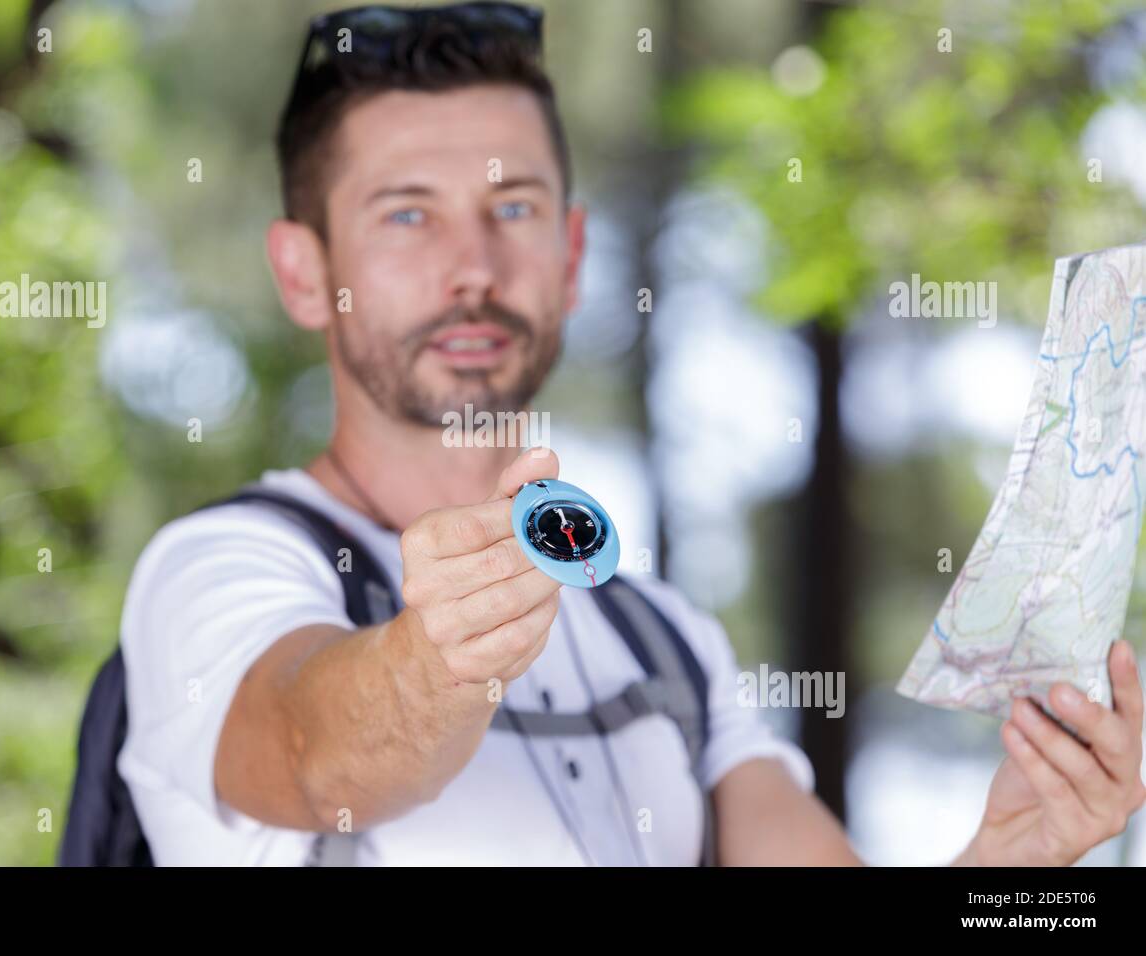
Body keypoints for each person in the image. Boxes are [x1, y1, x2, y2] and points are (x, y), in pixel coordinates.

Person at [116, 1, 1145, 866]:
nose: (470, 264)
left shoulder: (665, 638)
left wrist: (1007, 856)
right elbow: (316, 752)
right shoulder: (218, 568)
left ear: (570, 254)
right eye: (405, 214)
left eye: (512, 207)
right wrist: (435, 663)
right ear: (302, 271)